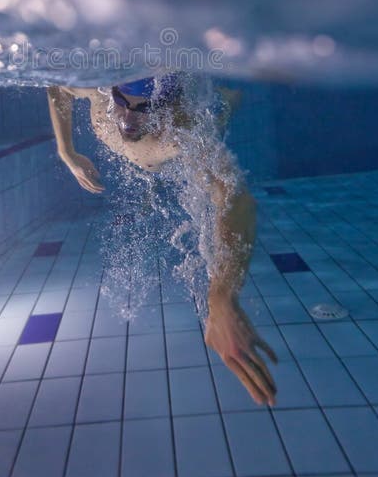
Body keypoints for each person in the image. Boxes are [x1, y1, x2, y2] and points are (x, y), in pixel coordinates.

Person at [46, 74, 278, 407]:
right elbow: (56, 86)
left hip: (191, 120)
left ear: (169, 109)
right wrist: (66, 151)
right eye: (123, 102)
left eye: (144, 108)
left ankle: (228, 95)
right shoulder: (102, 96)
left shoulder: (184, 133)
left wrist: (222, 296)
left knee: (222, 106)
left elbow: (235, 198)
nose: (126, 119)